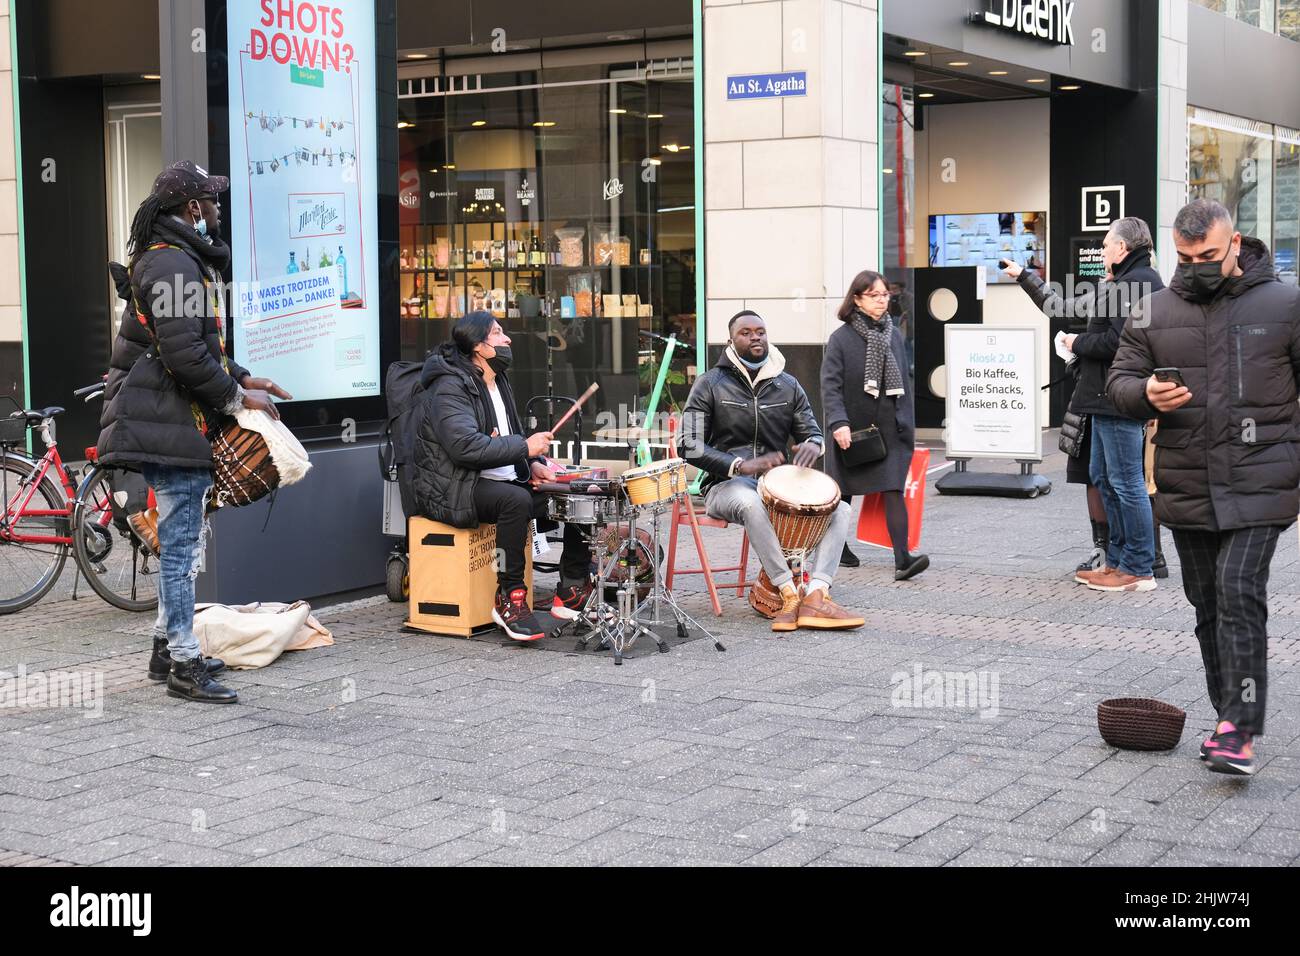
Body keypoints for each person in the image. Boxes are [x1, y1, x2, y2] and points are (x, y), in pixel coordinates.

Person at [1109, 198, 1300, 776]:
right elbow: (1118, 380)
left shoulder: (1286, 304)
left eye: (1209, 255)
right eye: (1186, 257)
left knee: (1239, 591)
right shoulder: (1153, 311)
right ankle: (1227, 718)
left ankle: (1239, 730)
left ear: (1235, 244)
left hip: (1262, 480)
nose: (1197, 266)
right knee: (1207, 604)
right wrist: (1144, 394)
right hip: (1186, 482)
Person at [98, 160, 291, 704]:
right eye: (212, 200)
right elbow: (184, 356)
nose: (218, 208)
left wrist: (244, 376)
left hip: (171, 420)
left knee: (182, 544)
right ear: (191, 210)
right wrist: (234, 396)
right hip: (169, 423)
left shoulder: (176, 263)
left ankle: (167, 648)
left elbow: (195, 349)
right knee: (182, 549)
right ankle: (183, 663)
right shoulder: (174, 268)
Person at [410, 312, 593, 642]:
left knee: (577, 491)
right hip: (455, 485)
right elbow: (464, 447)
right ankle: (510, 597)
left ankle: (571, 589)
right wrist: (523, 446)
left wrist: (534, 461)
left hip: (498, 476)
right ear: (479, 347)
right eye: (498, 333)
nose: (507, 339)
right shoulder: (450, 386)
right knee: (515, 500)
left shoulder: (498, 379)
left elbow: (509, 438)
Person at [1004, 216, 1165, 591]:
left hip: (1118, 398)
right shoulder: (1126, 283)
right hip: (1105, 397)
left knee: (1126, 484)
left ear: (1122, 249)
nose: (1102, 250)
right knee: (1106, 479)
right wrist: (1025, 276)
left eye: (1107, 244)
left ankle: (1138, 567)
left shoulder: (1135, 285)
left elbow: (1117, 343)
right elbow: (1060, 305)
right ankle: (1119, 561)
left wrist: (1074, 343)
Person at [678, 310, 864, 632]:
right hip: (726, 485)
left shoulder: (788, 385)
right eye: (746, 333)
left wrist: (814, 444)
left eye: (761, 332)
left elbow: (812, 431)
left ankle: (817, 593)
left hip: (775, 485)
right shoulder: (708, 384)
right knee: (752, 503)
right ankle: (788, 592)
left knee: (841, 509)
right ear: (730, 341)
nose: (755, 338)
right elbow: (688, 445)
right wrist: (738, 465)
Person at [823, 271, 928, 579]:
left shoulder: (893, 333)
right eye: (874, 295)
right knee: (844, 493)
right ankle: (837, 548)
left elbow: (902, 383)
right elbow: (830, 386)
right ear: (856, 299)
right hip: (852, 429)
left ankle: (902, 559)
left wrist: (905, 421)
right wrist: (838, 423)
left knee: (893, 487)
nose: (882, 300)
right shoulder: (840, 339)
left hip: (890, 427)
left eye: (885, 295)